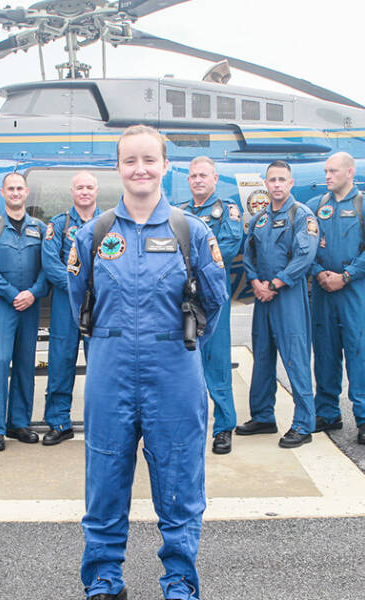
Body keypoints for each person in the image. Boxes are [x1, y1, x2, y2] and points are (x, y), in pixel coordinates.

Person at [68, 125, 228, 600]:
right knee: (104, 476)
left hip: (173, 369)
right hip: (109, 367)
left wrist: (179, 342)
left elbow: (214, 302)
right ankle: (103, 576)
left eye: (149, 160)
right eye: (130, 161)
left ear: (164, 166)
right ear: (118, 168)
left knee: (180, 477)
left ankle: (179, 579)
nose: (140, 169)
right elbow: (81, 302)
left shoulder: (190, 231)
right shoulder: (93, 234)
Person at [306, 152, 365, 445]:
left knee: (359, 352)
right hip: (324, 291)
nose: (327, 176)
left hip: (355, 292)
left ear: (350, 172)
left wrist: (346, 276)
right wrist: (319, 273)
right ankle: (327, 412)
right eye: (325, 171)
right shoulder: (317, 206)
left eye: (333, 171)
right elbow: (308, 246)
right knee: (325, 353)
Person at [236, 160, 318, 448]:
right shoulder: (260, 219)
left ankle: (304, 424)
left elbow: (304, 257)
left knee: (295, 359)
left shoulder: (301, 215)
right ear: (265, 184)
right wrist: (256, 283)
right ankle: (262, 416)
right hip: (263, 298)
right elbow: (249, 255)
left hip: (288, 297)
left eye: (282, 179)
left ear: (291, 183)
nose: (277, 185)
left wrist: (276, 284)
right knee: (262, 357)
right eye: (272, 180)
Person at [0, 172, 48, 452]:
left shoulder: (40, 229)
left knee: (25, 362)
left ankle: (19, 422)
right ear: (3, 193)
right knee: (0, 360)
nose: (16, 193)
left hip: (30, 304)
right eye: (11, 189)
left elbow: (48, 267)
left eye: (20, 188)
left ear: (26, 192)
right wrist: (11, 293)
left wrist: (33, 292)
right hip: (2, 304)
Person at [177, 156, 243, 454]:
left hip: (212, 293)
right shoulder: (178, 213)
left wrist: (195, 265)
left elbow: (227, 246)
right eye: (193, 176)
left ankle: (224, 427)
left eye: (203, 175)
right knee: (184, 360)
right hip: (184, 294)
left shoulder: (226, 210)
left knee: (216, 359)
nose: (198, 180)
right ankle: (188, 425)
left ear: (215, 178)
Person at [40, 171, 101, 446]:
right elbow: (50, 263)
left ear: (96, 191)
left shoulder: (109, 224)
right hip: (66, 303)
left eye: (89, 187)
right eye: (80, 187)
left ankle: (102, 422)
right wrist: (77, 284)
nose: (84, 191)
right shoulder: (58, 224)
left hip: (100, 304)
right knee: (60, 363)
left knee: (101, 365)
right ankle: (59, 422)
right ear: (72, 191)